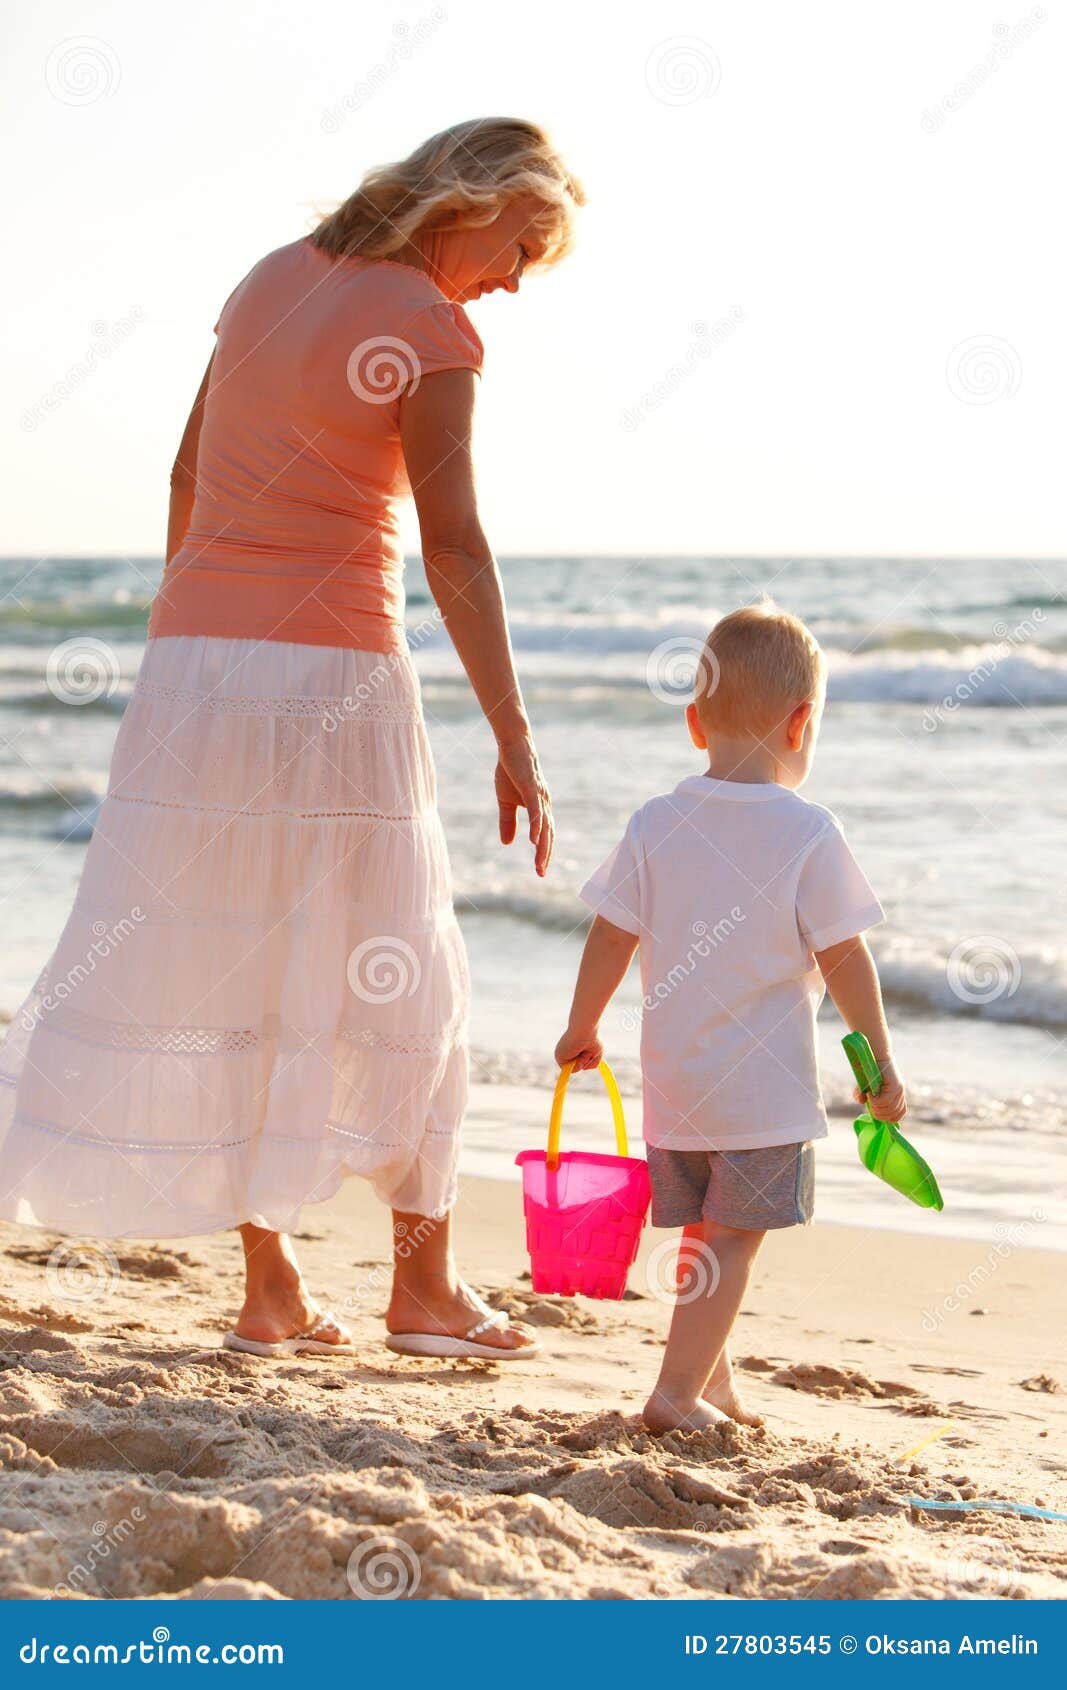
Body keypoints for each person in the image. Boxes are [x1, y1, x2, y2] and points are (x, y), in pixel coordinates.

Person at [0, 118, 584, 1362]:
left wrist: (190, 648)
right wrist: (513, 734)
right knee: (399, 968)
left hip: (197, 670)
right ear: (468, 202)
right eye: (522, 245)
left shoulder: (266, 277)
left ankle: (271, 1291)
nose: (516, 281)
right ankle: (421, 1290)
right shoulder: (430, 328)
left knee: (236, 972)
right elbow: (454, 546)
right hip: (333, 675)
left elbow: (182, 474)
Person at [554, 600, 907, 1428]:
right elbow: (844, 957)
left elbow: (610, 933)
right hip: (761, 1092)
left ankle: (709, 1380)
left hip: (676, 1088)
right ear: (801, 724)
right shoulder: (809, 832)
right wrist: (876, 1062)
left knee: (704, 1232)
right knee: (735, 1238)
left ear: (693, 723)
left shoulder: (655, 820)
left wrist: (582, 1025)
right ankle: (674, 1394)